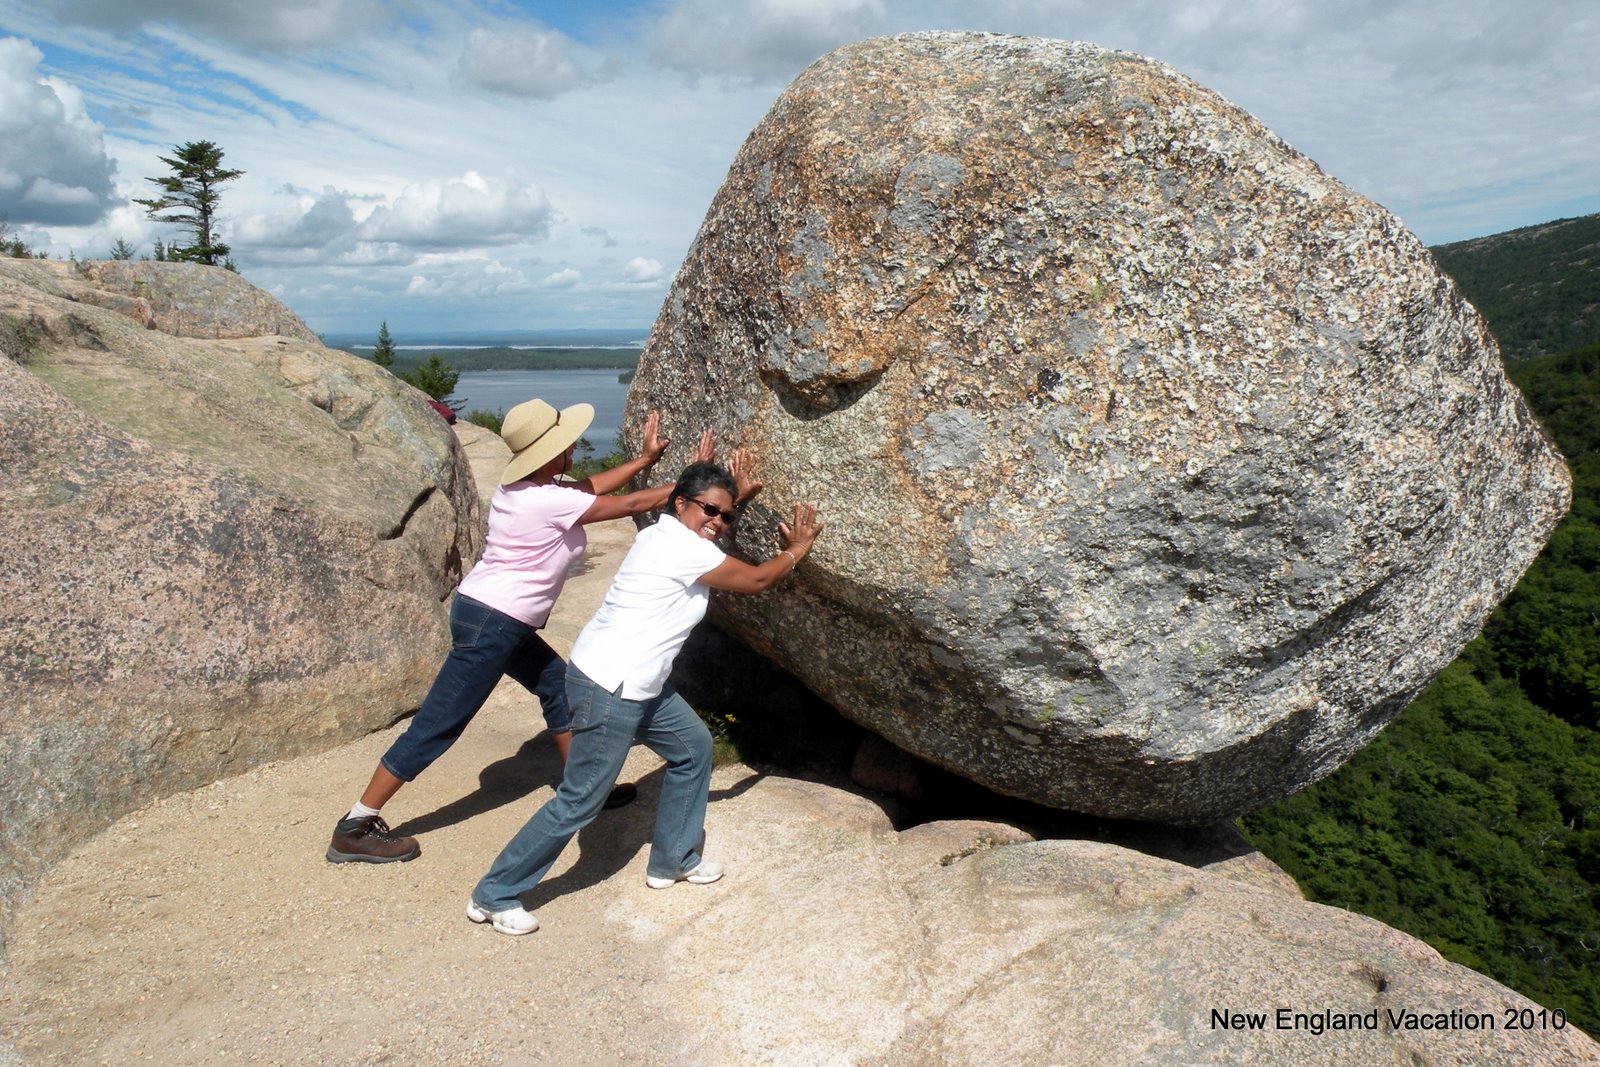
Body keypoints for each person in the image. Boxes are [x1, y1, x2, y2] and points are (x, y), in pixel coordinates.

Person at [326, 397, 713, 864]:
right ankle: (355, 824)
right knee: (441, 721)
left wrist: (646, 460)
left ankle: (584, 790)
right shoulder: (549, 500)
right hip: (494, 623)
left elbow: (589, 488)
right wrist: (694, 483)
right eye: (565, 443)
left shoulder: (524, 488)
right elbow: (627, 502)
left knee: (557, 688)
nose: (573, 447)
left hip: (489, 615)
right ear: (548, 452)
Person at [465, 458, 823, 935]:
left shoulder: (665, 533)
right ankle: (494, 894)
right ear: (680, 503)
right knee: (581, 799)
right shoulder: (680, 547)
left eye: (727, 515)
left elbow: (703, 532)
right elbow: (757, 580)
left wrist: (732, 498)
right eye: (710, 511)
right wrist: (797, 549)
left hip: (634, 681)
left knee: (693, 748)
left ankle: (673, 859)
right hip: (612, 685)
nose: (718, 522)